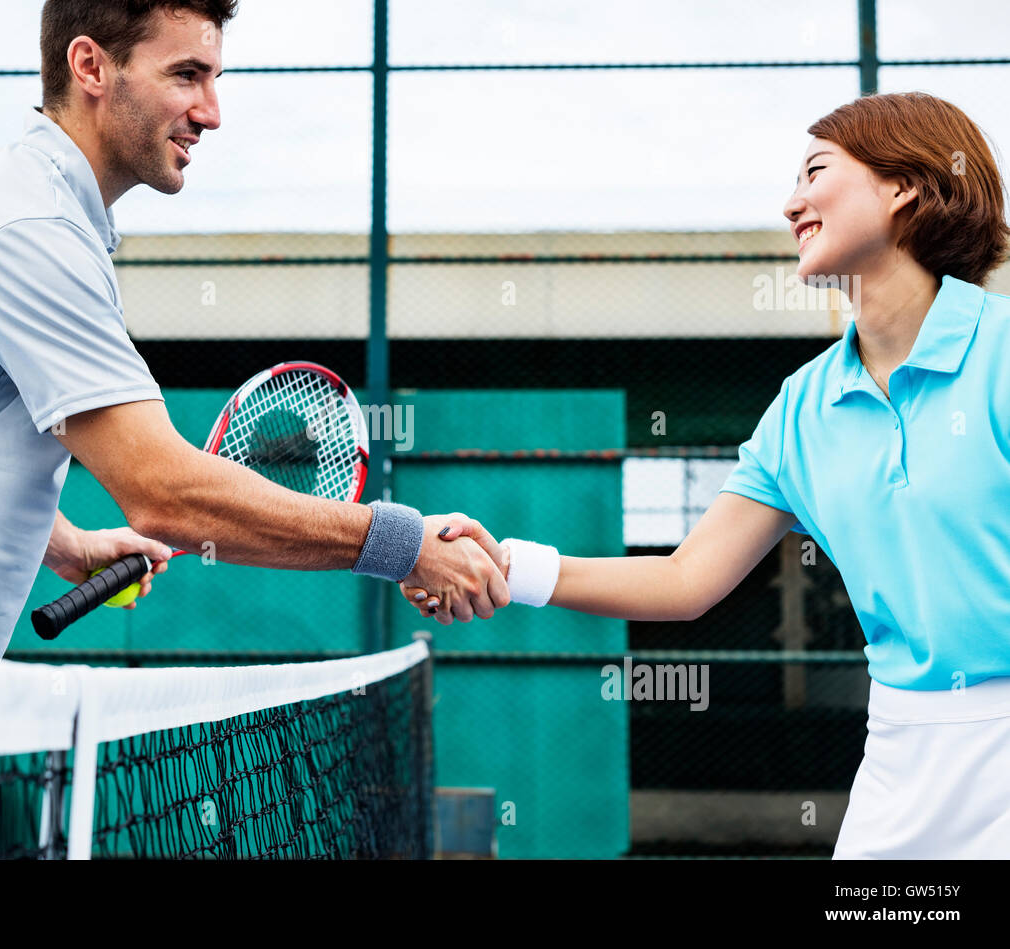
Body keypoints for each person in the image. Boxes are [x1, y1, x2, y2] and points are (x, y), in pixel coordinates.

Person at [0, 0, 506, 859]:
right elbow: (166, 492)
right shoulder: (29, 231)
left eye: (214, 78)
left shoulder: (30, 208)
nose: (211, 112)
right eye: (187, 75)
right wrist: (401, 542)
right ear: (92, 66)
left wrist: (60, 542)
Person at [403, 92, 1010, 859]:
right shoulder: (803, 409)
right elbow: (687, 580)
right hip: (901, 751)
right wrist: (506, 563)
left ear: (905, 188)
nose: (792, 203)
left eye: (817, 172)